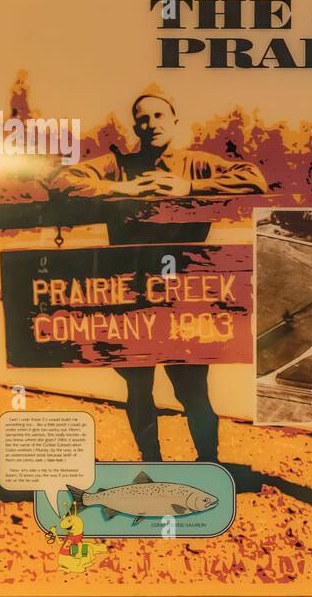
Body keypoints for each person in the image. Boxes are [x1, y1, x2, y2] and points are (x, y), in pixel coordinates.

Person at [50, 91, 267, 463]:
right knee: (138, 386)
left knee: (192, 386)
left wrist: (191, 188)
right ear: (135, 126)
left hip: (184, 294)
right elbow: (62, 180)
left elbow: (253, 178)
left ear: (175, 120)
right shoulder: (119, 165)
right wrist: (122, 189)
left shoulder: (196, 164)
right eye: (143, 119)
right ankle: (151, 462)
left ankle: (208, 462)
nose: (151, 124)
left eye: (159, 115)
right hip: (131, 295)